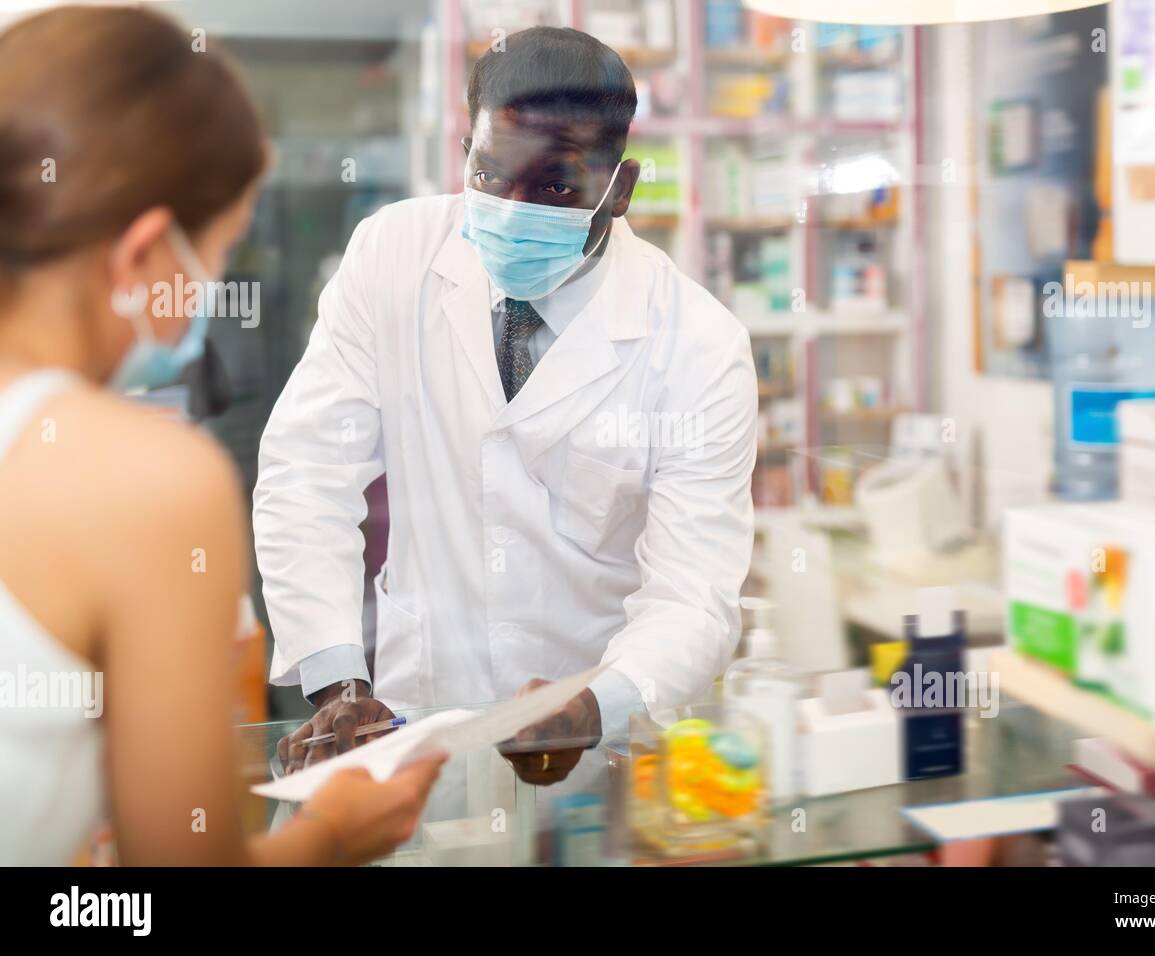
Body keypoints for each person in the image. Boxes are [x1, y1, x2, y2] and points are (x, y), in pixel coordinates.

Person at [256, 26, 758, 785]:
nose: (514, 209)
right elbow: (306, 475)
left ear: (619, 189)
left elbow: (695, 598)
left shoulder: (698, 344)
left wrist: (597, 706)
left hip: (596, 758)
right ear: (466, 151)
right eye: (491, 176)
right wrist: (338, 685)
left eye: (556, 187)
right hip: (415, 722)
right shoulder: (392, 255)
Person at [0, 5, 442, 866]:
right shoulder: (146, 482)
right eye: (216, 256)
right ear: (141, 255)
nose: (208, 296)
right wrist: (335, 834)